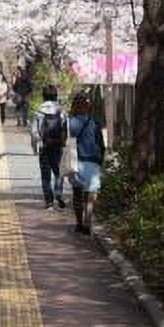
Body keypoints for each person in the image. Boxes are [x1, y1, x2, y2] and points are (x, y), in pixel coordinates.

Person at [67, 90, 106, 234]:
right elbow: (101, 144)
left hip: (78, 161)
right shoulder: (95, 122)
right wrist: (101, 159)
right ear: (88, 106)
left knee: (77, 194)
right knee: (91, 194)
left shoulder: (73, 122)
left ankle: (79, 223)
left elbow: (69, 140)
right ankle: (88, 222)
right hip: (93, 161)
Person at [30, 85, 68, 209]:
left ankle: (49, 202)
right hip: (58, 147)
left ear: (43, 96)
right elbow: (66, 130)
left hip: (44, 147)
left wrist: (34, 147)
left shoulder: (38, 112)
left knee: (45, 175)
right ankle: (58, 193)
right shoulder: (61, 111)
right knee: (59, 173)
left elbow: (34, 133)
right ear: (56, 96)